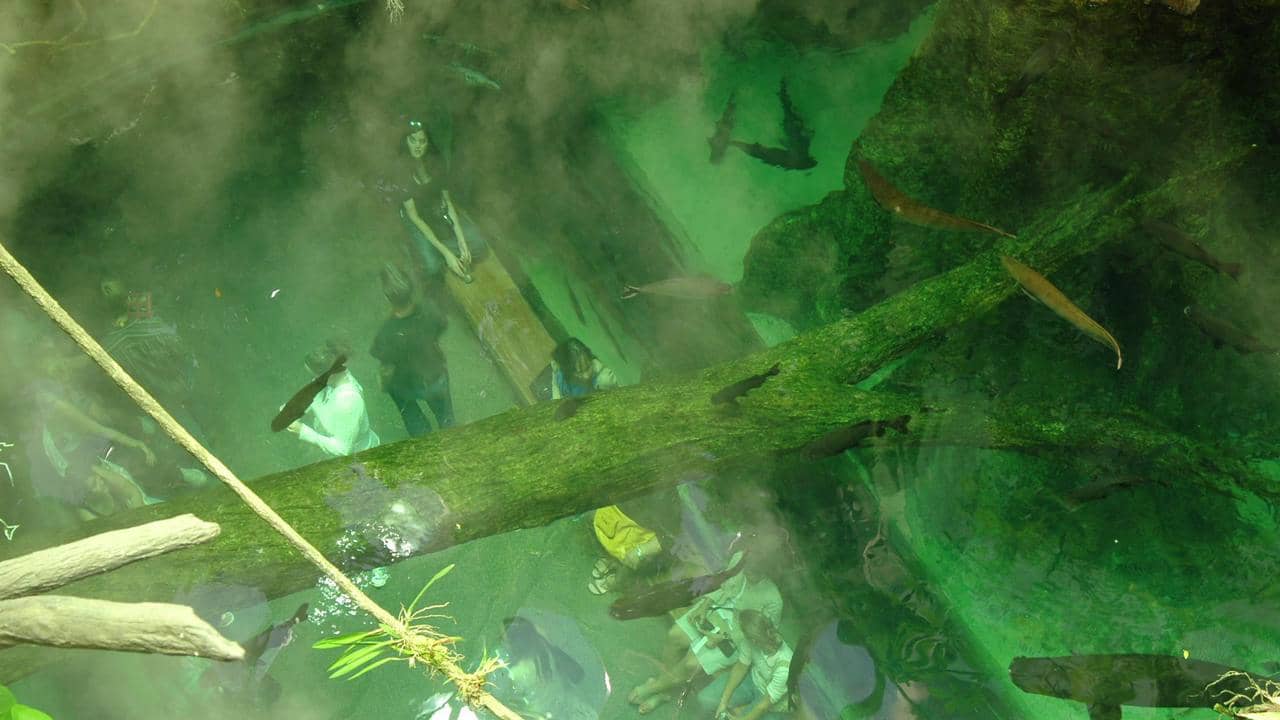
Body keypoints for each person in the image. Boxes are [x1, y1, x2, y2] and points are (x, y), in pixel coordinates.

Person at [628, 552, 784, 714]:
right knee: (674, 636)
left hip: (736, 637)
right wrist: (704, 605)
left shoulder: (774, 600)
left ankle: (653, 687)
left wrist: (724, 637)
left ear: (767, 572)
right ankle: (664, 691)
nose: (748, 574)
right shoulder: (739, 559)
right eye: (747, 569)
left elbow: (759, 636)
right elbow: (721, 584)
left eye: (754, 573)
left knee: (691, 663)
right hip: (715, 610)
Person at [395, 117, 486, 281]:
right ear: (406, 141)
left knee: (479, 245)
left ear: (428, 142)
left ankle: (444, 253)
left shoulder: (436, 162)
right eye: (412, 140)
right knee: (431, 268)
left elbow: (447, 201)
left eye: (422, 141)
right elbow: (414, 216)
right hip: (415, 218)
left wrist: (461, 240)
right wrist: (446, 252)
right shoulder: (400, 171)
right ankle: (427, 251)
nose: (417, 146)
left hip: (436, 210)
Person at [370, 263, 454, 437]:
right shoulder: (430, 309)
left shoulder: (386, 334)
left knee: (407, 409)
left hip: (407, 384)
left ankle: (422, 437)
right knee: (445, 416)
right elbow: (441, 325)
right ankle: (451, 436)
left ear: (387, 298)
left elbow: (384, 360)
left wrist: (383, 381)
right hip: (435, 376)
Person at [285, 340, 380, 456]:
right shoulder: (332, 378)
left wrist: (302, 431)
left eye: (315, 375)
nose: (314, 380)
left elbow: (343, 449)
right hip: (330, 448)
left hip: (360, 457)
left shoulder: (348, 401)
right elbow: (313, 397)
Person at [712, 610, 794, 720]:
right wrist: (724, 701)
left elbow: (764, 705)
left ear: (754, 640)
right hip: (753, 681)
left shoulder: (785, 668)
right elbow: (741, 667)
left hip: (774, 703)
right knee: (706, 699)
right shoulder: (750, 641)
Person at [550, 338, 618, 400]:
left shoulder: (604, 380)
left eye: (588, 367)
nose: (586, 376)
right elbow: (556, 386)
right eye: (580, 372)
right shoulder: (559, 374)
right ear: (567, 371)